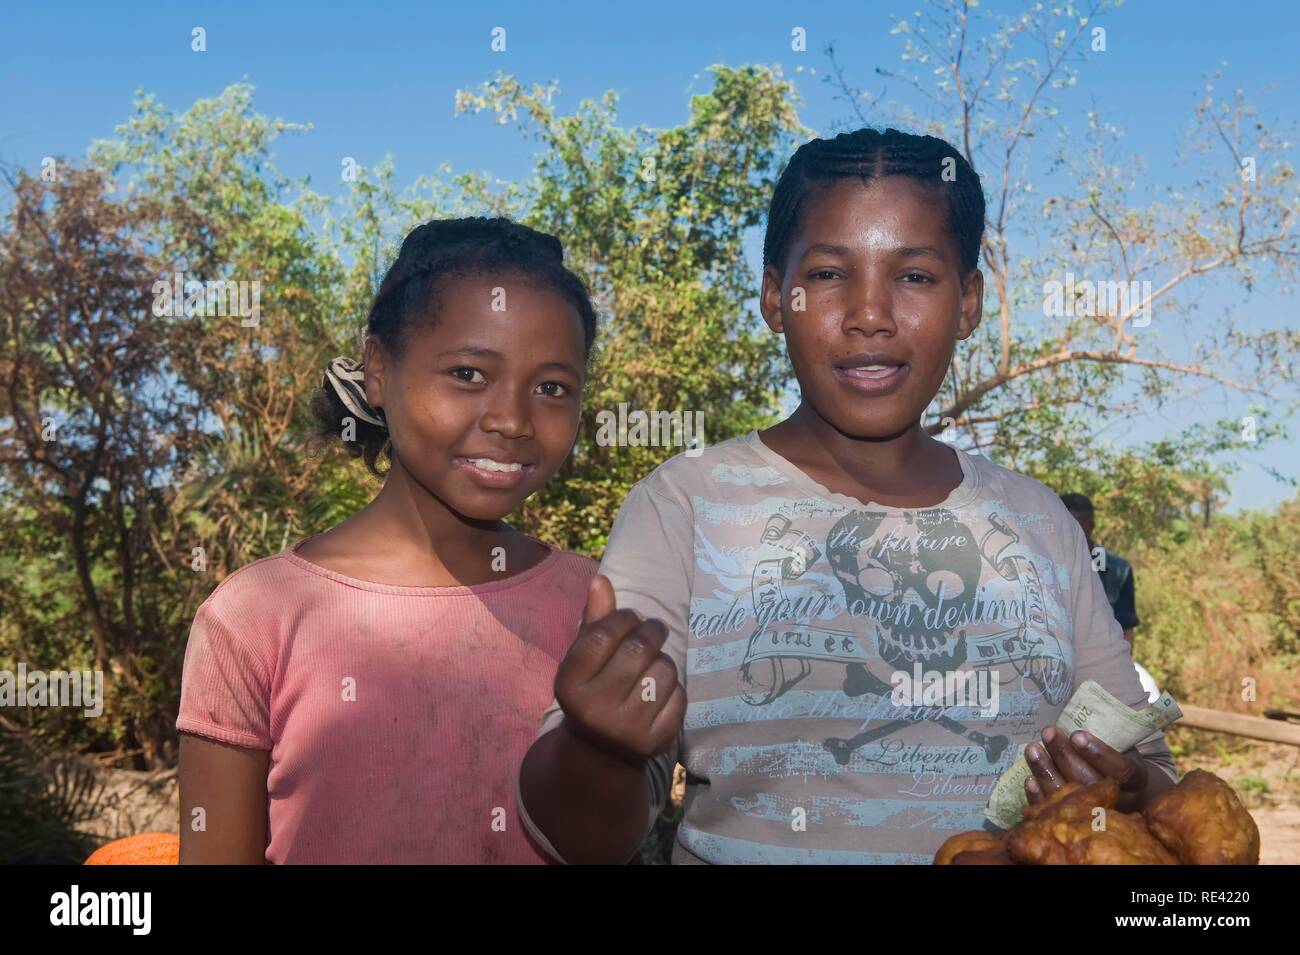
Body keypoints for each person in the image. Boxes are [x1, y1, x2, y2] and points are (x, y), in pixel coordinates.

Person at [517, 128, 1178, 864]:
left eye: (916, 277)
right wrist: (599, 748)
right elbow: (577, 837)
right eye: (829, 273)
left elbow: (1152, 772)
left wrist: (1126, 784)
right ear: (775, 296)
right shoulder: (684, 505)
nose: (871, 313)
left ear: (968, 303)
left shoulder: (1040, 523)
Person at [176, 218, 599, 863]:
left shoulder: (595, 604)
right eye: (466, 373)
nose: (512, 420)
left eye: (551, 388)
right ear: (378, 370)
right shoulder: (254, 617)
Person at [1060, 493, 1139, 645]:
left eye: (1077, 529)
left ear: (1090, 527)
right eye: (1063, 529)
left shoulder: (1118, 571)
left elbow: (1126, 630)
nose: (1069, 536)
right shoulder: (1039, 565)